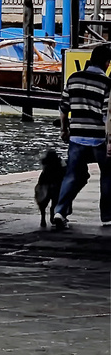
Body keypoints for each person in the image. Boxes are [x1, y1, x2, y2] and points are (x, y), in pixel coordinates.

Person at [54, 43, 110, 229]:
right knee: (107, 175)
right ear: (107, 63)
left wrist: (64, 130)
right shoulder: (107, 84)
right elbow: (106, 115)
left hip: (76, 137)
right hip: (99, 139)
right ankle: (107, 215)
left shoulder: (73, 78)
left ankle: (60, 211)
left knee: (71, 174)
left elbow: (63, 108)